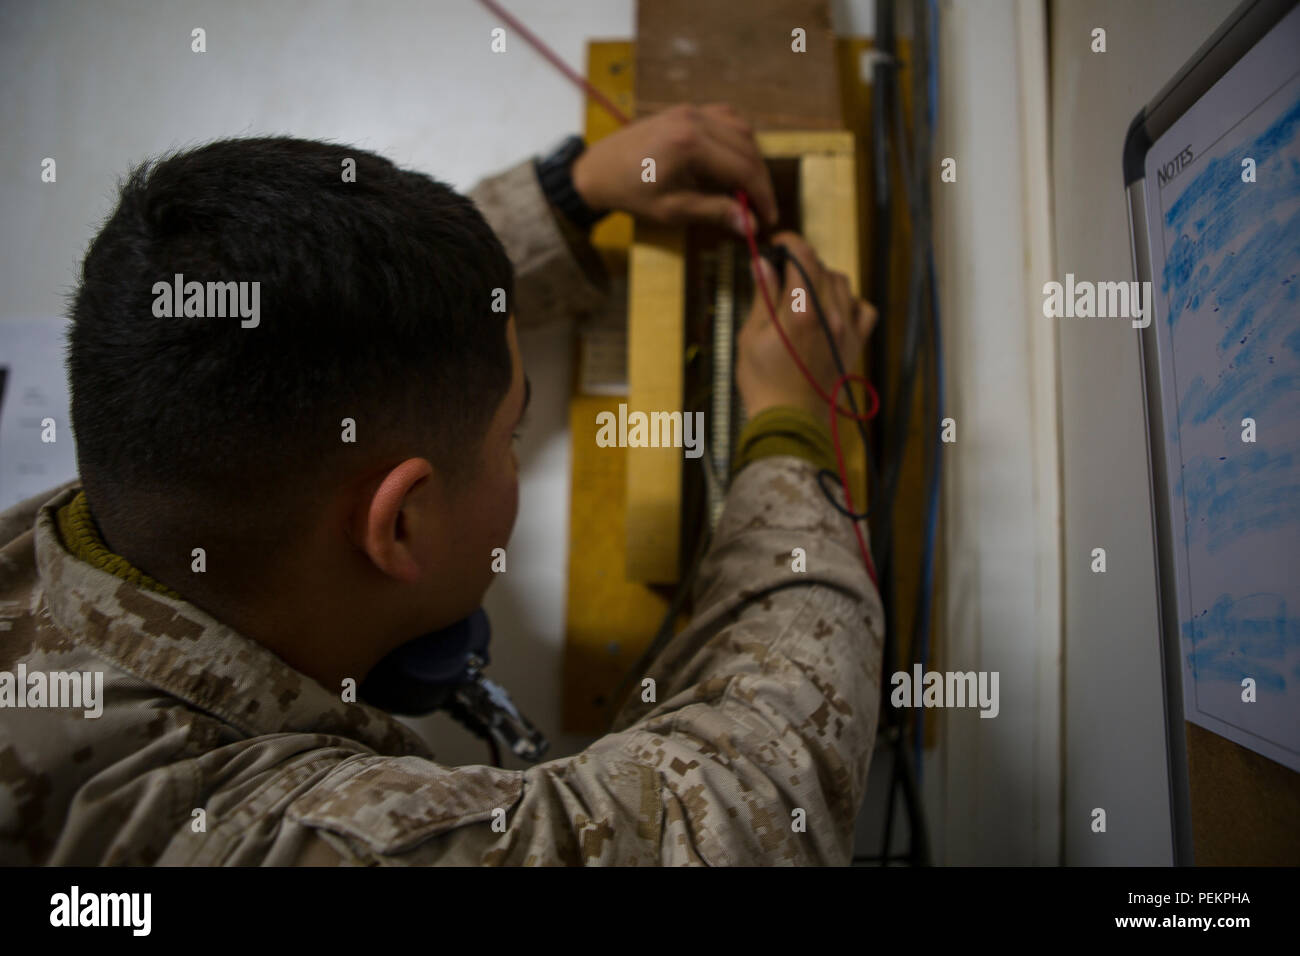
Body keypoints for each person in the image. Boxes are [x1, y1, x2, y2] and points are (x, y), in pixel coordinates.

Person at [0, 103, 883, 865]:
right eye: (513, 433)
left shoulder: (105, 504)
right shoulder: (274, 841)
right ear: (401, 526)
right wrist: (790, 426)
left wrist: (567, 193)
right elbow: (749, 807)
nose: (513, 448)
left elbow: (306, 321)